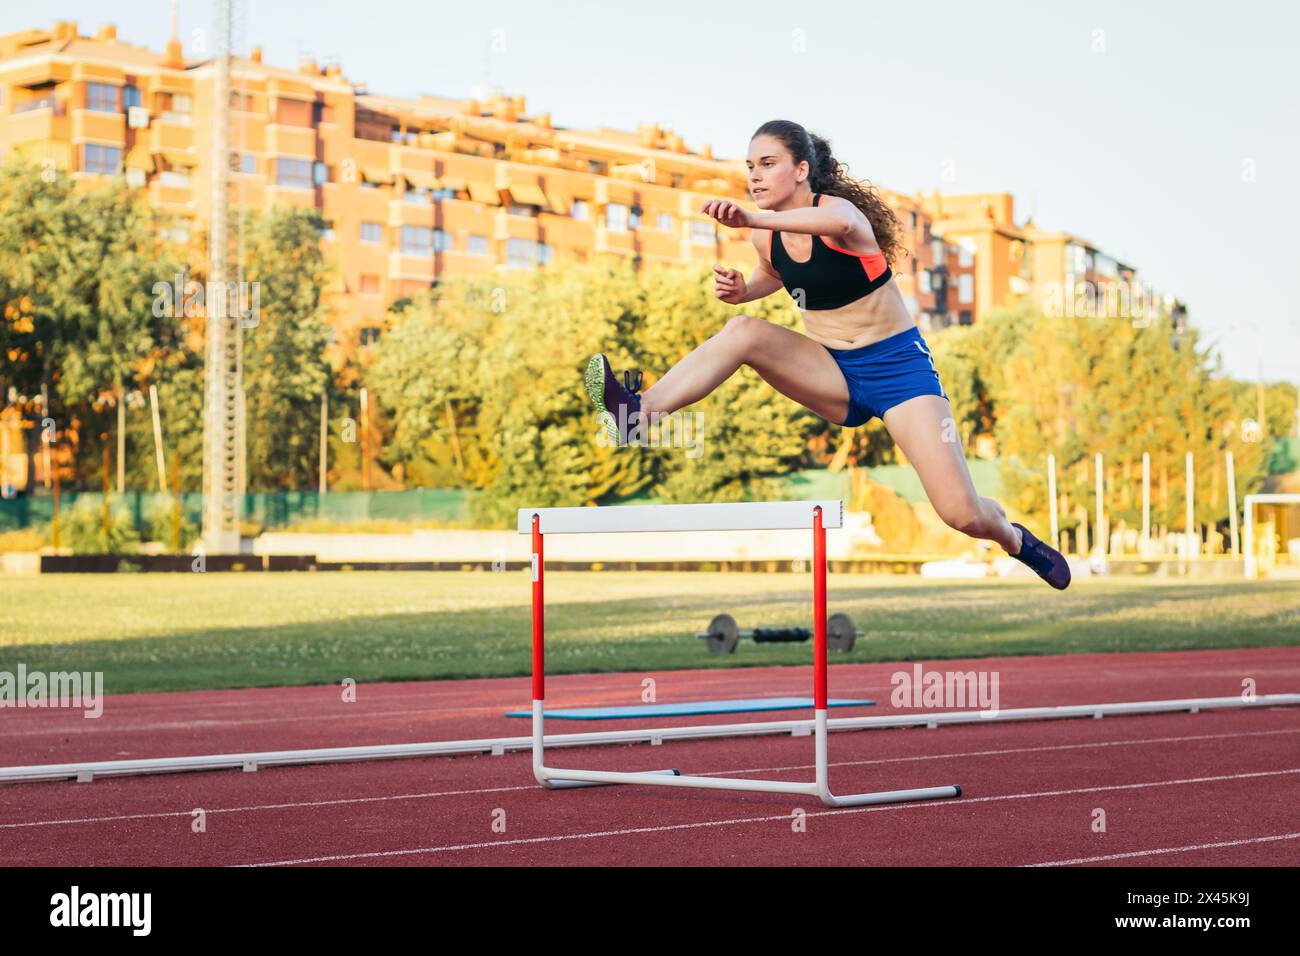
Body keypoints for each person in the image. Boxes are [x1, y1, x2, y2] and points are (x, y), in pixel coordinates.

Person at [585, 119, 1069, 589]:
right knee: (743, 331)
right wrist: (742, 290)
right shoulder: (765, 235)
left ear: (800, 170)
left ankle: (1014, 539)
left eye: (767, 163)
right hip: (832, 371)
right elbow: (773, 274)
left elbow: (833, 223)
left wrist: (754, 216)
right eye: (749, 165)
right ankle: (639, 414)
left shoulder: (840, 215)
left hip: (899, 373)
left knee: (962, 513)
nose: (754, 175)